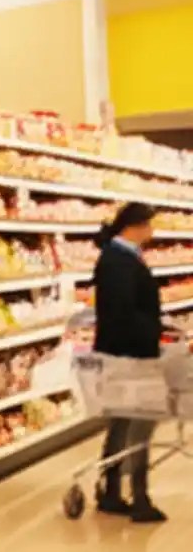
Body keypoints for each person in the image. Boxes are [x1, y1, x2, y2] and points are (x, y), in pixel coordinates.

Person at [93, 202, 166, 523]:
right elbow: (123, 312)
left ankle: (112, 492)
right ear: (135, 225)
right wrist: (152, 334)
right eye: (149, 225)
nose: (152, 231)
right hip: (130, 354)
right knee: (140, 425)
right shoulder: (118, 261)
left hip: (122, 352)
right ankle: (139, 498)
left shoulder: (119, 256)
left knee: (122, 423)